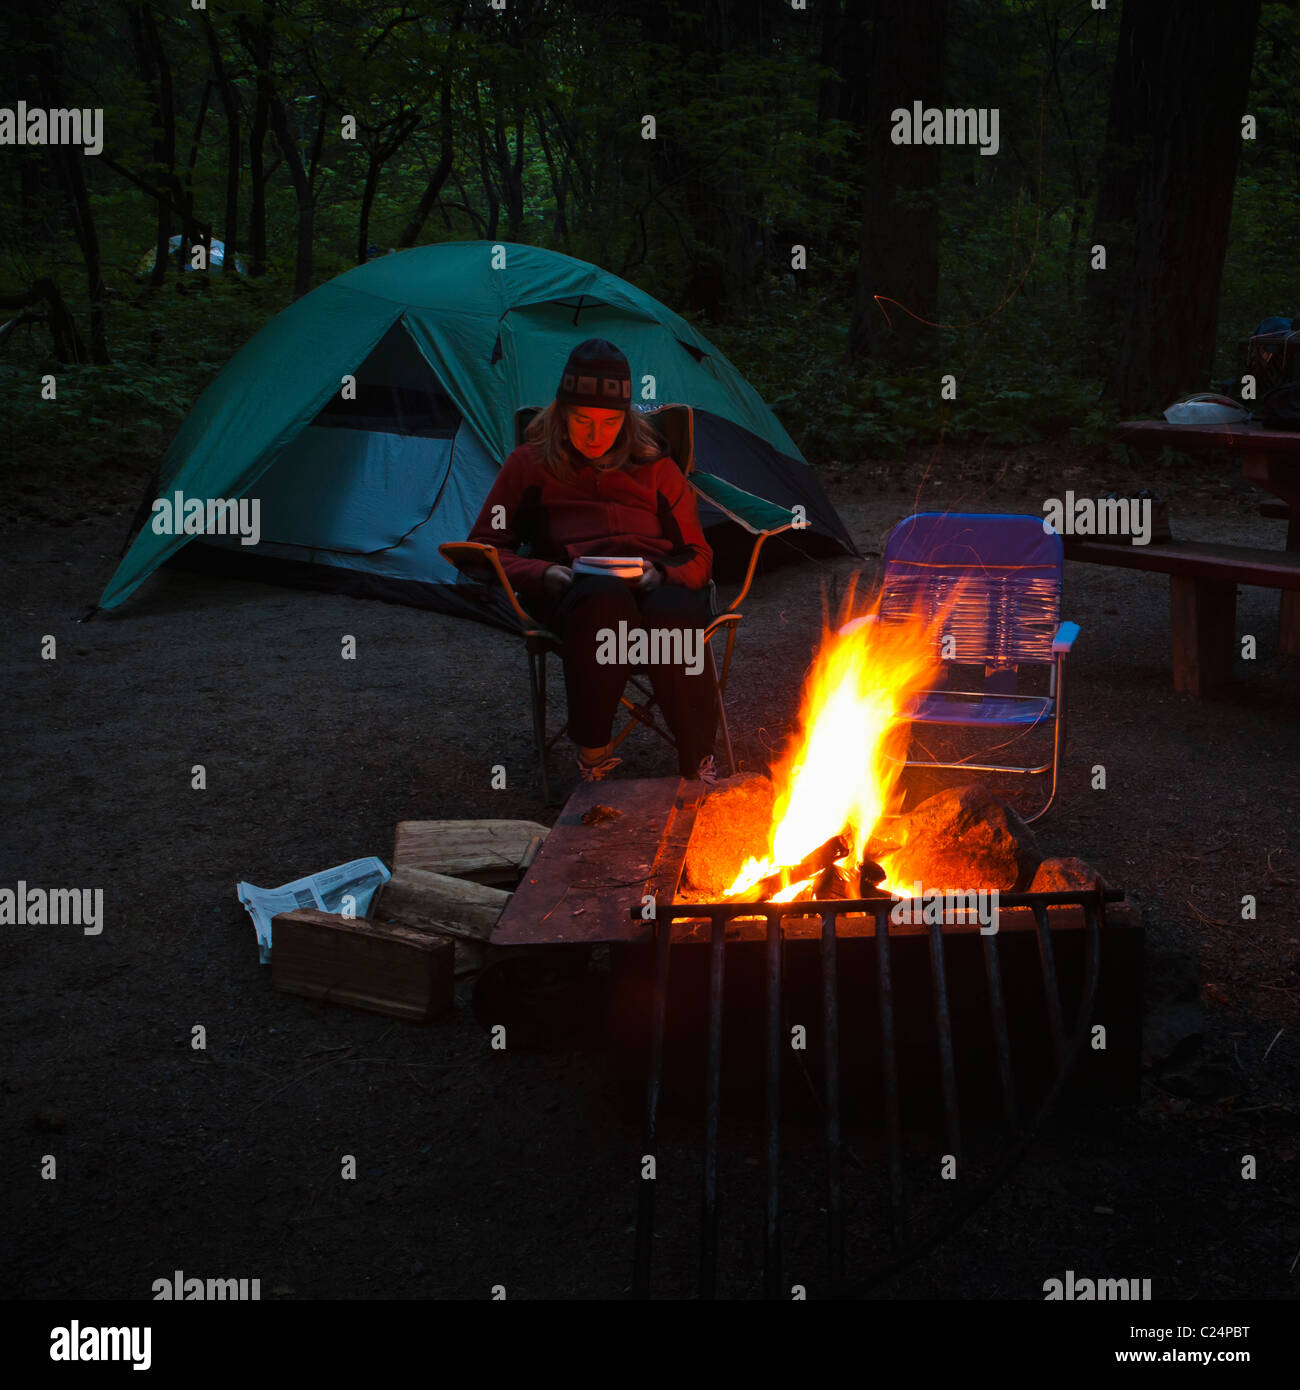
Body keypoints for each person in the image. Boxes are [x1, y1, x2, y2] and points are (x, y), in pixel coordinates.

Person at [466, 338, 718, 784]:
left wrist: (662, 573)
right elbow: (483, 549)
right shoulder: (528, 465)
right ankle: (595, 755)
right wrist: (543, 572)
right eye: (582, 420)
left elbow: (699, 556)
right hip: (579, 592)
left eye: (609, 422)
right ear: (561, 414)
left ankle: (698, 767)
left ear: (627, 419)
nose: (594, 435)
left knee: (672, 611)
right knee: (604, 601)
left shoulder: (657, 468)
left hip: (653, 583)